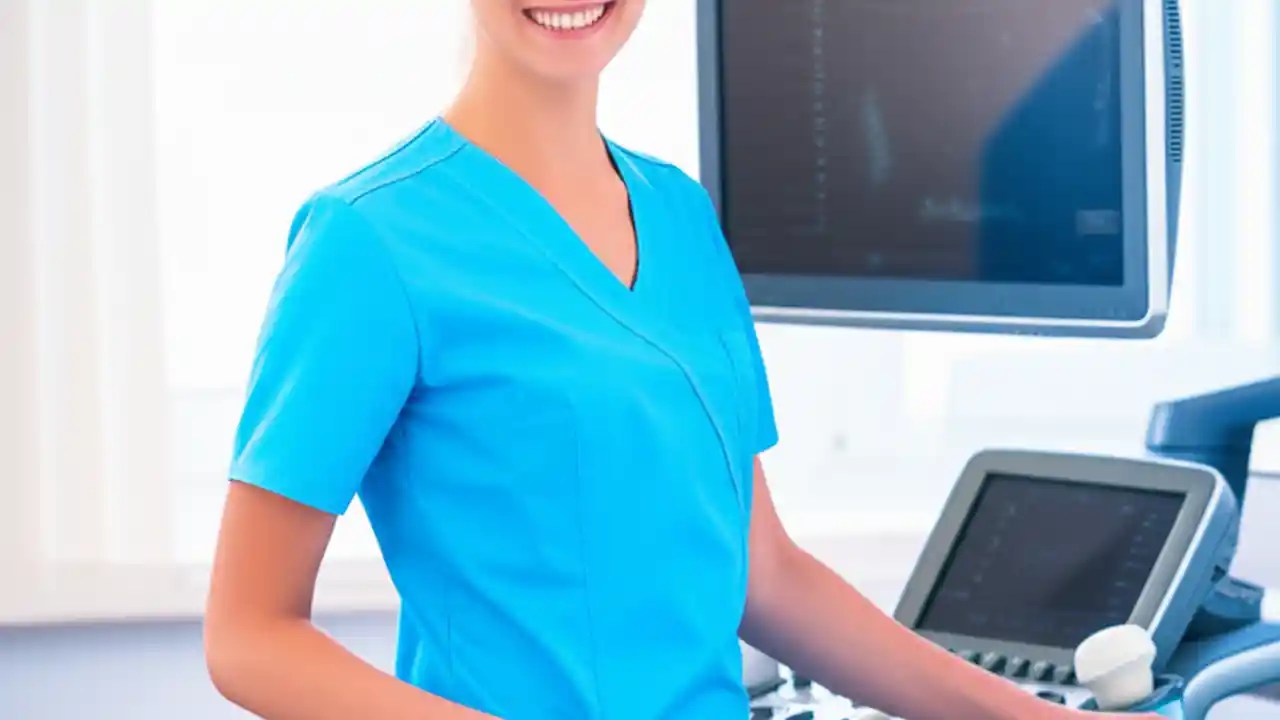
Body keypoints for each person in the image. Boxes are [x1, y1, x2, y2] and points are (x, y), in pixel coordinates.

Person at [203, 2, 1162, 718]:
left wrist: (1026, 714)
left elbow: (766, 576)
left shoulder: (681, 216)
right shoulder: (368, 240)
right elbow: (248, 637)